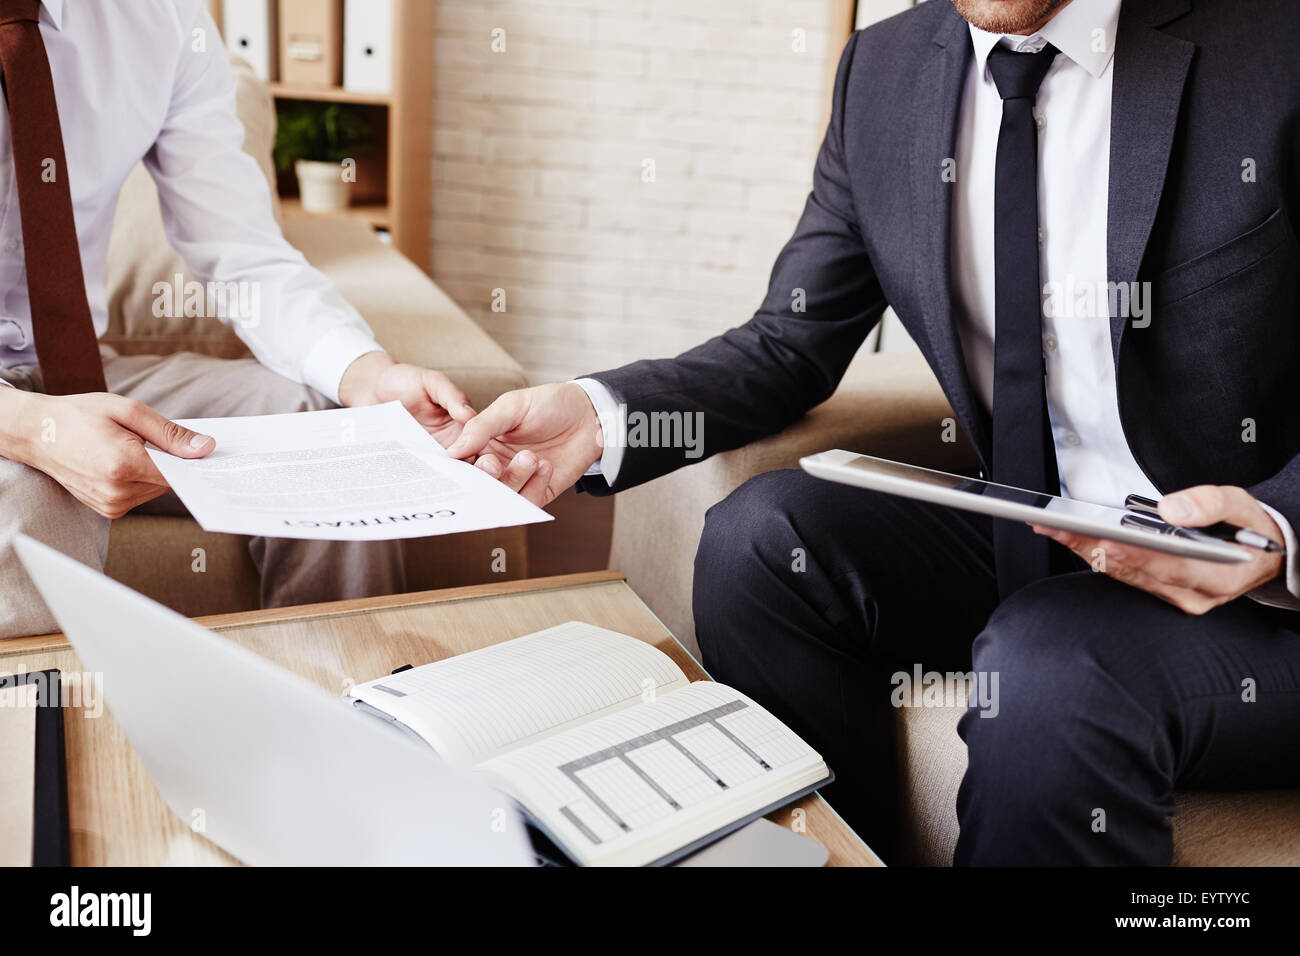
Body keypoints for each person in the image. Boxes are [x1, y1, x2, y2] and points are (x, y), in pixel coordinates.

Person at [447, 0, 1300, 864]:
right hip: (1044, 528)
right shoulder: (884, 72)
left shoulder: (1274, 42)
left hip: (1260, 589)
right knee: (761, 544)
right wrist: (598, 417)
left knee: (1046, 670)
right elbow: (790, 342)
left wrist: (1272, 528)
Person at [0, 0, 545, 638]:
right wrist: (31, 428)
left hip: (76, 368)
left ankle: (345, 703)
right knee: (37, 492)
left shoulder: (161, 20)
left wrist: (365, 374)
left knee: (339, 436)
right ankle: (45, 736)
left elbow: (241, 254)